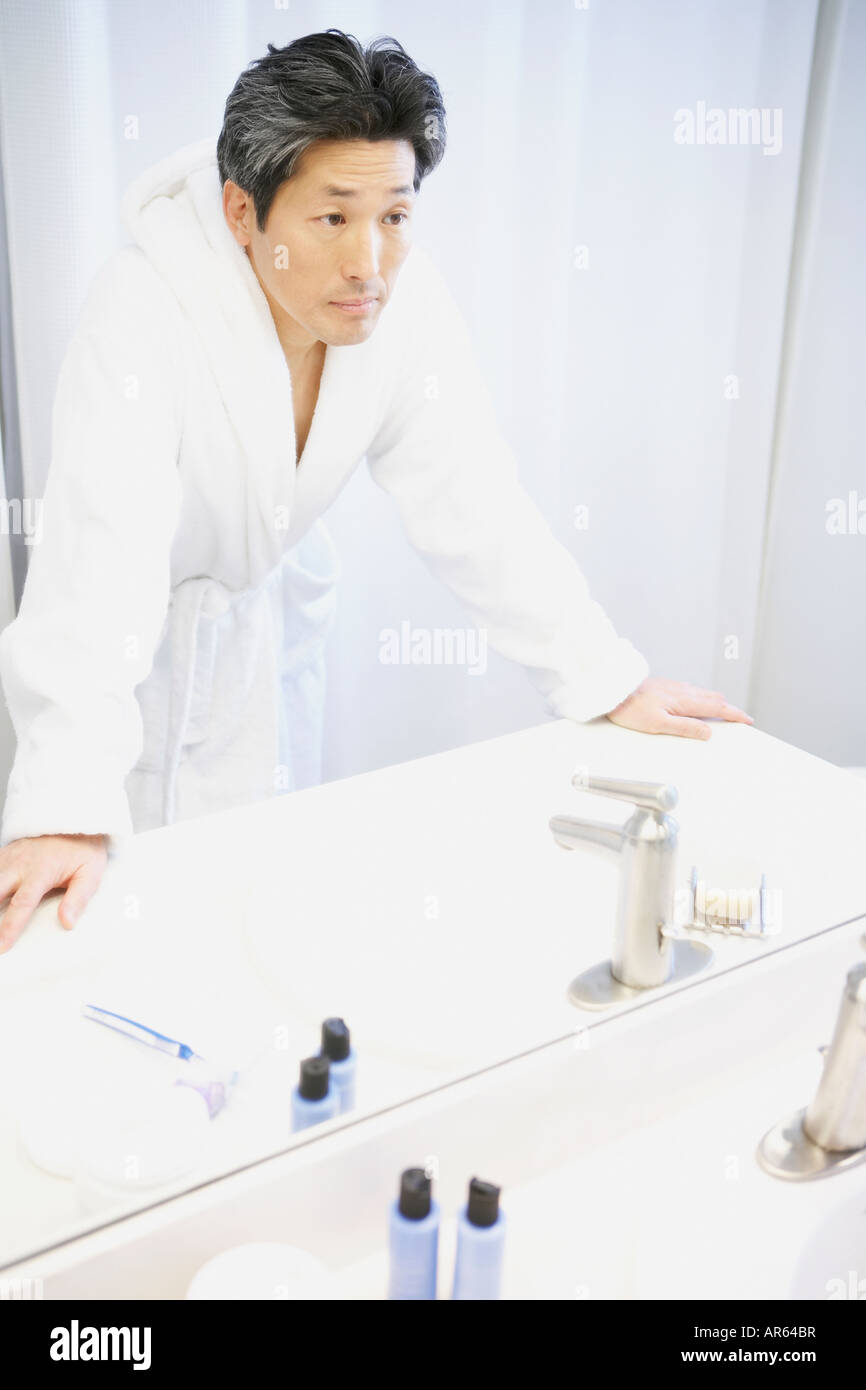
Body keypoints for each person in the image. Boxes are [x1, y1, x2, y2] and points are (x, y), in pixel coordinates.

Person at [0, 30, 752, 954]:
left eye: (394, 216)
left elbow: (476, 503)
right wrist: (67, 800)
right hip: (132, 672)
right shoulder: (141, 311)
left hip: (267, 645)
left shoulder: (402, 304)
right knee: (124, 935)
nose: (370, 262)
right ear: (244, 214)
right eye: (332, 218)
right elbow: (97, 561)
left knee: (262, 919)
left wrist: (605, 675)